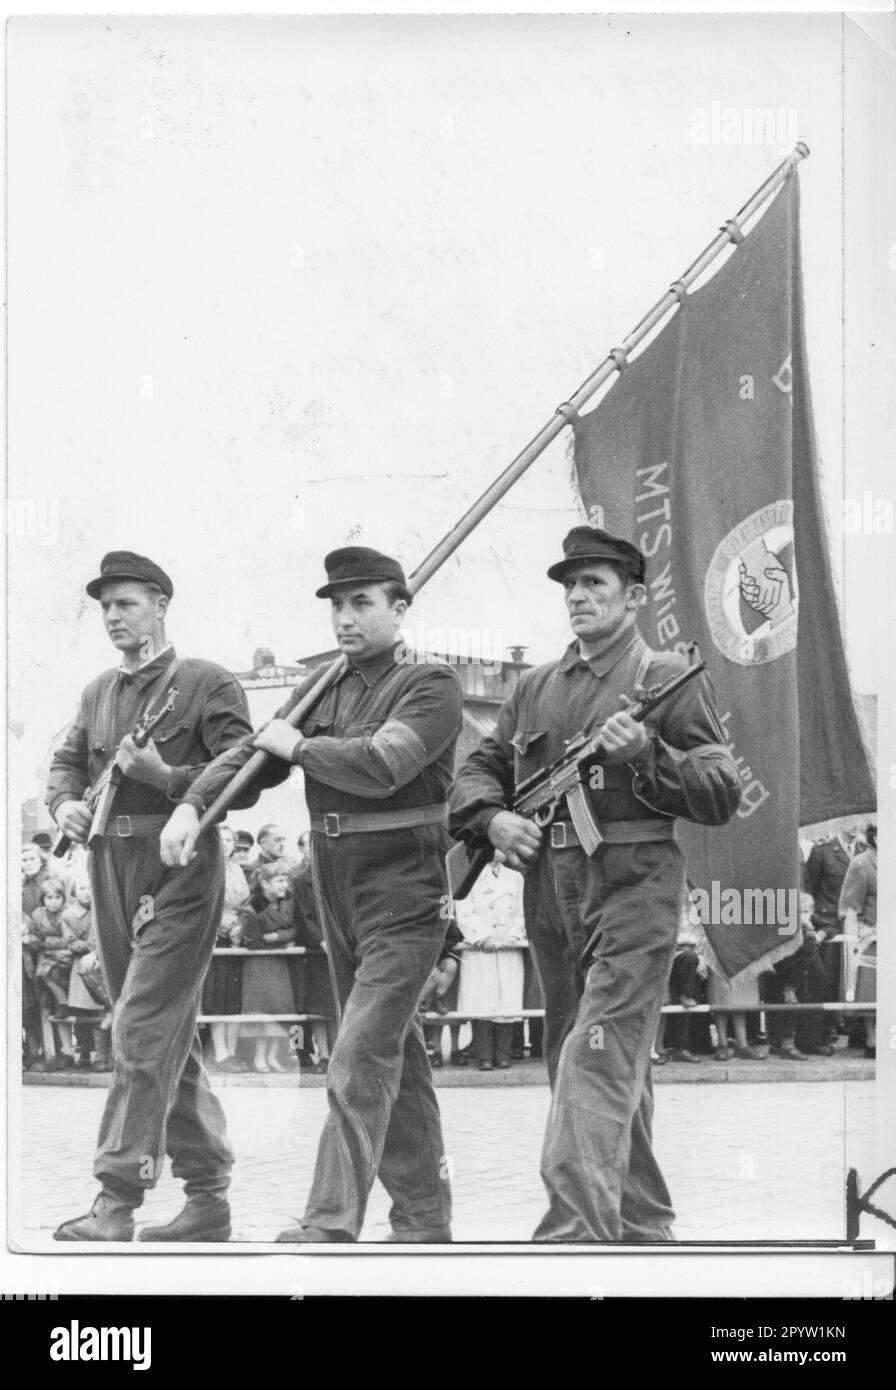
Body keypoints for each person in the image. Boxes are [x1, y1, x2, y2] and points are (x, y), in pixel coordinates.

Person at [161, 545, 463, 1243]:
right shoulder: (324, 684)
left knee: (358, 1052)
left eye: (362, 603)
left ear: (400, 608)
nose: (345, 618)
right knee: (396, 1053)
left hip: (405, 888)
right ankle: (423, 1218)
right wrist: (191, 801)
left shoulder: (432, 684)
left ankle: (331, 1219)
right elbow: (249, 759)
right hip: (335, 886)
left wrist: (298, 747)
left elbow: (385, 764)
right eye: (336, 604)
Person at [449, 525, 741, 1242]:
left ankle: (574, 1231)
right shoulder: (535, 686)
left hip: (635, 878)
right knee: (578, 1053)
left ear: (635, 597)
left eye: (595, 584)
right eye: (570, 585)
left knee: (597, 1049)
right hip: (552, 884)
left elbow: (720, 791)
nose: (577, 596)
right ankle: (642, 1223)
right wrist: (491, 821)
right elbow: (480, 766)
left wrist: (648, 754)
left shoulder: (664, 677)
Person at [47, 550, 254, 1242]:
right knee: (162, 1037)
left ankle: (115, 1200)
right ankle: (208, 1197)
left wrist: (168, 777)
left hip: (179, 862)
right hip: (111, 861)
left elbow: (246, 773)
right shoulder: (99, 690)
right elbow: (67, 760)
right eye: (105, 607)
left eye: (126, 603)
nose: (112, 617)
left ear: (161, 605)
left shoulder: (204, 682)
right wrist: (66, 804)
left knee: (137, 1028)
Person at [455, 858, 527, 1071]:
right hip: (481, 948)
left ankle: (503, 1055)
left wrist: (511, 936)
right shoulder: (469, 876)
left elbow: (523, 912)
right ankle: (484, 1056)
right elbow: (464, 911)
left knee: (508, 999)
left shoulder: (515, 877)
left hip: (508, 947)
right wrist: (483, 937)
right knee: (482, 999)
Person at [238, 859, 298, 1073]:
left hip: (280, 965)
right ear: (265, 883)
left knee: (281, 1011)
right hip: (260, 967)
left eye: (286, 881)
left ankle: (273, 1057)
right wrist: (281, 939)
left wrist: (277, 936)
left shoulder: (286, 900)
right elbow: (251, 941)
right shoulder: (254, 906)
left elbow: (295, 928)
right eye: (280, 881)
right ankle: (260, 1057)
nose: (284, 886)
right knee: (262, 1014)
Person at [203, 824, 250, 1074]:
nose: (226, 844)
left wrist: (240, 925)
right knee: (217, 997)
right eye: (221, 839)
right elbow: (204, 903)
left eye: (230, 840)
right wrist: (223, 926)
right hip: (215, 936)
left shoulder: (238, 870)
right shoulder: (206, 868)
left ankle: (232, 1052)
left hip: (236, 936)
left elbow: (245, 902)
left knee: (234, 998)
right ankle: (220, 1053)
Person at [289, 833, 335, 1073]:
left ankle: (336, 1053)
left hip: (336, 947)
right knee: (318, 1007)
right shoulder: (299, 879)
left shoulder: (334, 874)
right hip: (315, 949)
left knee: (336, 1006)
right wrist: (321, 940)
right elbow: (303, 915)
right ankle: (323, 1055)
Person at [28, 876, 77, 1070]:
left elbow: (70, 941)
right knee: (50, 1006)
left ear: (63, 898)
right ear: (43, 899)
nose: (53, 901)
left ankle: (72, 1050)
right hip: (47, 964)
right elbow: (36, 940)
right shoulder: (38, 916)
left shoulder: (69, 913)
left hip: (68, 963)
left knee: (69, 1008)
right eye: (49, 897)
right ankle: (58, 1052)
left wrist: (49, 944)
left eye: (57, 897)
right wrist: (44, 943)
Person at [839, 823, 878, 1059]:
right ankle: (872, 1040)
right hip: (873, 940)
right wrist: (865, 931)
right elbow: (849, 908)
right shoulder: (862, 864)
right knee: (872, 993)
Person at [60, 875, 105, 1069]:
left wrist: (95, 948)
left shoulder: (103, 909)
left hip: (102, 964)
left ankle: (102, 1055)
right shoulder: (68, 915)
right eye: (81, 888)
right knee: (81, 1013)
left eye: (89, 887)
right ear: (74, 892)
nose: (86, 891)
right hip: (80, 967)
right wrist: (91, 946)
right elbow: (70, 943)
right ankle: (84, 1052)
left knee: (101, 1011)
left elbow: (106, 935)